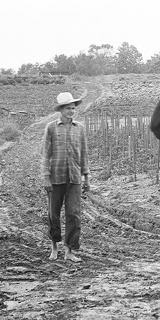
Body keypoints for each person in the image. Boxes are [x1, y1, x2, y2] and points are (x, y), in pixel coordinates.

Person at [42, 92, 90, 262]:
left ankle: (69, 251)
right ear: (61, 110)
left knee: (74, 215)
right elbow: (46, 154)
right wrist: (46, 177)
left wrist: (86, 177)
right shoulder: (51, 128)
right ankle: (54, 247)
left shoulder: (80, 128)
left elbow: (83, 153)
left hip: (75, 177)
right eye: (68, 108)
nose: (72, 111)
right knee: (53, 214)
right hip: (56, 177)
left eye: (73, 108)